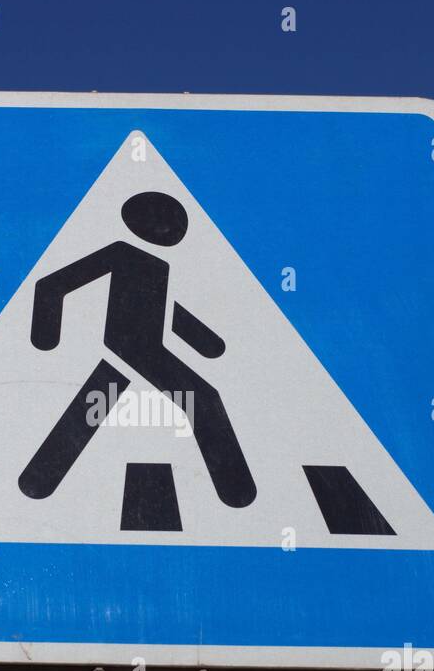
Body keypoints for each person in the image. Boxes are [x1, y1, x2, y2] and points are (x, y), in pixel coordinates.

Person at [19, 191, 256, 509]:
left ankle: (37, 481)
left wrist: (207, 343)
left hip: (140, 348)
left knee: (93, 405)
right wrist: (45, 336)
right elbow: (54, 285)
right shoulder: (121, 253)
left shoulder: (158, 266)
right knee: (202, 399)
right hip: (131, 347)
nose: (177, 232)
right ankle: (236, 490)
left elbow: (166, 311)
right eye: (170, 224)